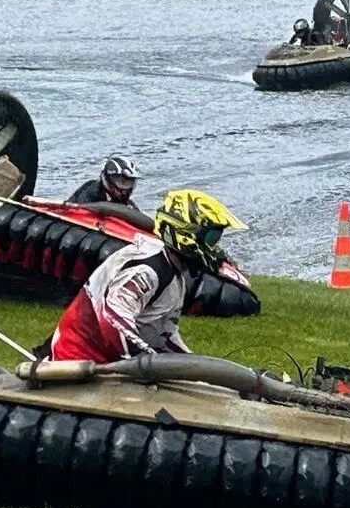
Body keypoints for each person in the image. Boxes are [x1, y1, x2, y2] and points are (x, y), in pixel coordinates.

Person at [45, 189, 246, 363]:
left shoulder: (173, 273)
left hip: (107, 360)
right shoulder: (148, 269)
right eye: (211, 237)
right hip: (79, 360)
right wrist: (150, 364)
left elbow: (162, 334)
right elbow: (114, 319)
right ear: (185, 233)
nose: (214, 246)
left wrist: (197, 366)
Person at [67, 155, 141, 209]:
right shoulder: (93, 191)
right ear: (109, 179)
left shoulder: (127, 202)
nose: (125, 189)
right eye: (122, 182)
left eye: (129, 183)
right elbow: (78, 209)